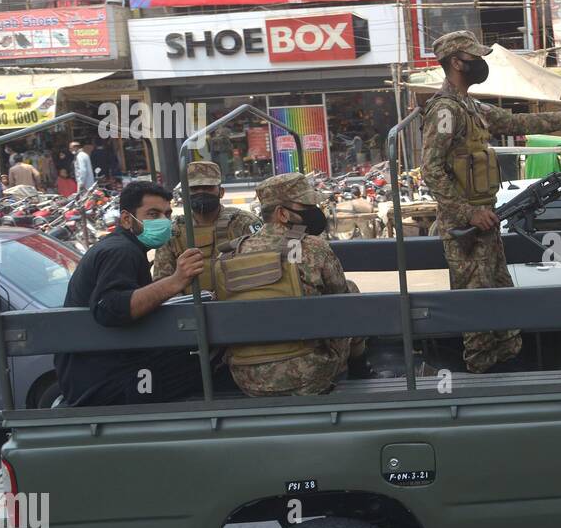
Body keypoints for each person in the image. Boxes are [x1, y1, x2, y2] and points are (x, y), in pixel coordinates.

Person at [421, 29, 561, 373]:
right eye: (473, 57)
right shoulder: (446, 111)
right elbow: (431, 169)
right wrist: (469, 212)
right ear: (454, 62)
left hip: (485, 222)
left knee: (503, 308)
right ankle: (483, 391)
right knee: (479, 318)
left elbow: (515, 121)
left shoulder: (470, 106)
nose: (480, 63)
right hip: (466, 227)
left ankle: (508, 374)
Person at [54, 180, 208, 406]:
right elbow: (111, 308)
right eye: (153, 214)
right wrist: (177, 280)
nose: (163, 221)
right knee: (211, 366)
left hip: (106, 366)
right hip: (104, 379)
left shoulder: (125, 247)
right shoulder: (120, 252)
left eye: (167, 214)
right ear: (127, 219)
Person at [219, 173, 374, 396]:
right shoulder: (312, 246)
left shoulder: (232, 252)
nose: (314, 210)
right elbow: (341, 299)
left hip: (247, 379)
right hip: (308, 376)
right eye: (306, 205)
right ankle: (361, 369)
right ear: (282, 213)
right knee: (350, 292)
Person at [152, 160, 260, 290]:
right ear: (185, 193)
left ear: (221, 192)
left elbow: (262, 270)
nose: (201, 192)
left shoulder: (244, 223)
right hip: (188, 307)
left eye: (208, 187)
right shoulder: (172, 232)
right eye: (194, 188)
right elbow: (162, 283)